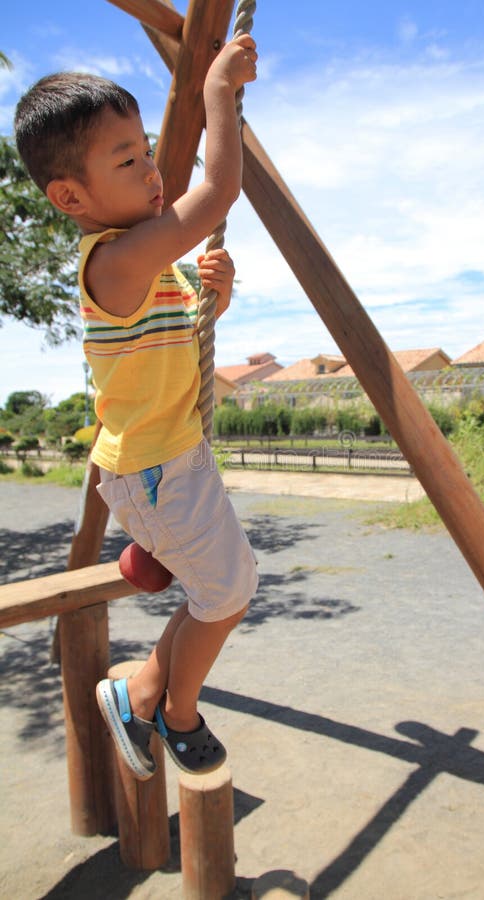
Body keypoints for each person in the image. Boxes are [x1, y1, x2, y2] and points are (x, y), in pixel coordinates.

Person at [14, 34, 259, 780]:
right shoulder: (112, 263)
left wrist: (211, 292)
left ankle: (148, 554)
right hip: (156, 469)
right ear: (70, 198)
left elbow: (183, 334)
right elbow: (215, 194)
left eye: (148, 151)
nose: (153, 171)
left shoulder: (150, 263)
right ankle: (154, 701)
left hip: (167, 458)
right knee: (229, 591)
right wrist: (217, 92)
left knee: (215, 578)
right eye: (128, 161)